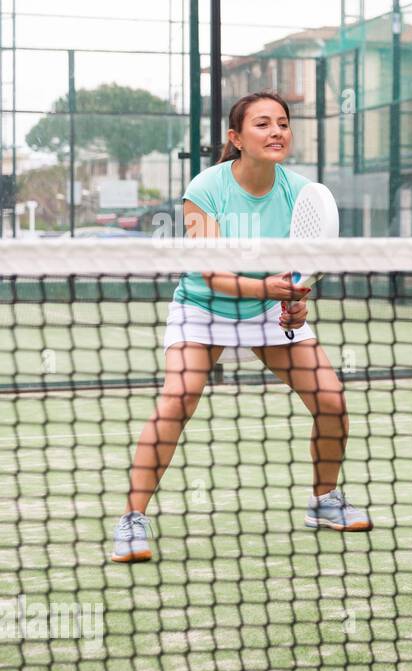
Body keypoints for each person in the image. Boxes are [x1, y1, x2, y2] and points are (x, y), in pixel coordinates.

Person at [112, 91, 371, 563]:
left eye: (283, 123)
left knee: (331, 400)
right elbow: (210, 273)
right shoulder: (205, 188)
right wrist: (271, 289)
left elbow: (302, 268)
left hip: (264, 313)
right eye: (263, 124)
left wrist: (296, 303)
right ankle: (132, 520)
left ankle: (324, 500)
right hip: (203, 308)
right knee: (177, 400)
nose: (276, 132)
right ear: (236, 138)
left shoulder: (302, 193)